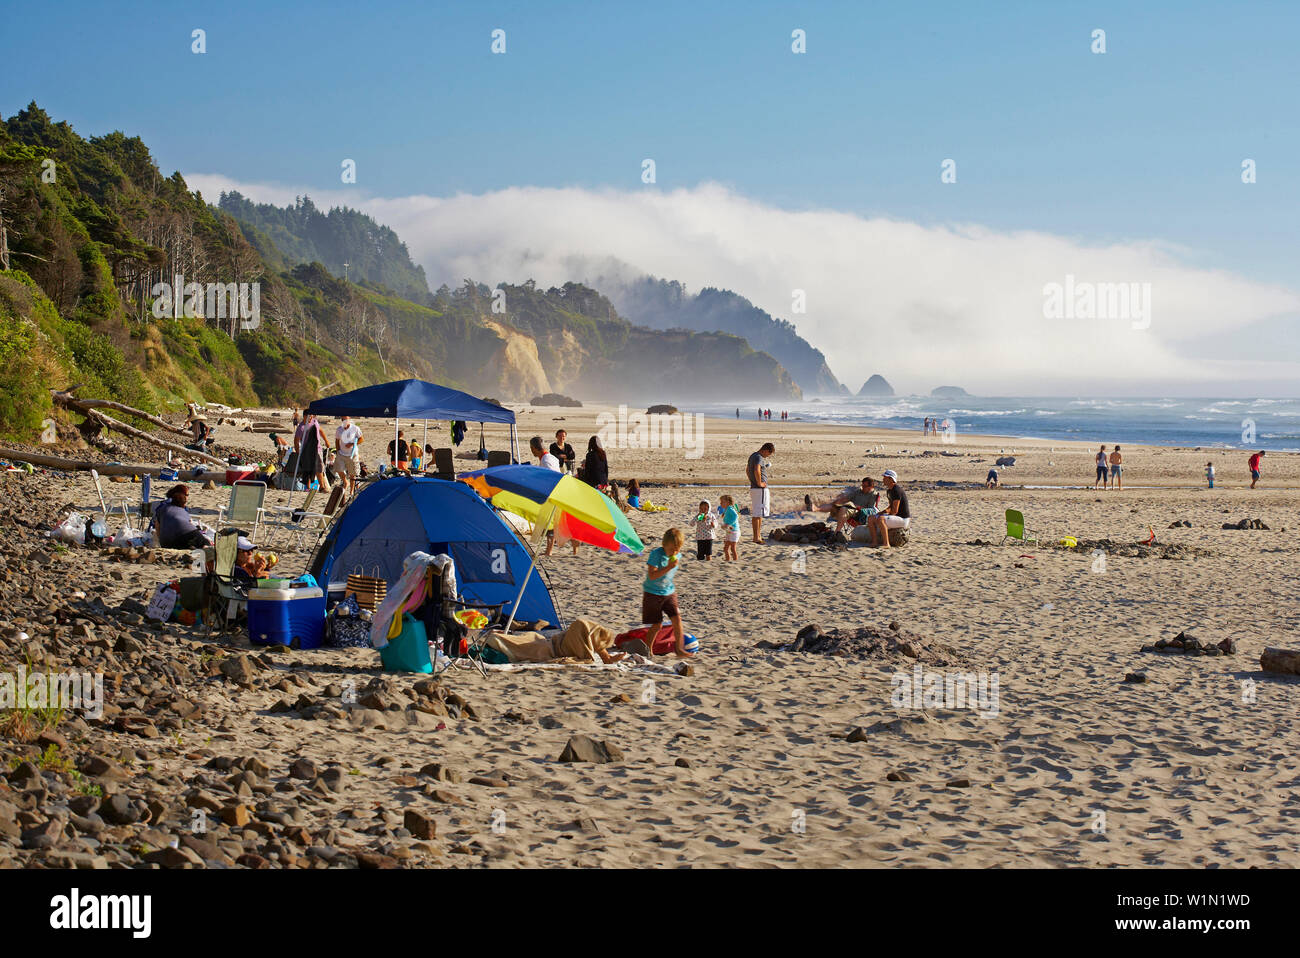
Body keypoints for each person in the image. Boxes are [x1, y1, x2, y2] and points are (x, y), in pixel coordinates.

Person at [642, 528, 693, 657]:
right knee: (657, 625)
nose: (674, 552)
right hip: (652, 593)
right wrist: (668, 567)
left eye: (677, 549)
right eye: (671, 549)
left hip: (669, 592)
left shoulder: (677, 555)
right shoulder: (656, 554)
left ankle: (679, 649)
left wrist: (672, 562)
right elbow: (652, 575)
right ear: (663, 545)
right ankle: (648, 650)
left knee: (677, 620)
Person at [815, 477, 879, 536]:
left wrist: (857, 506)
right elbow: (847, 498)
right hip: (849, 507)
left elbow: (870, 510)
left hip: (859, 512)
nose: (862, 487)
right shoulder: (858, 491)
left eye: (865, 486)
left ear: (871, 487)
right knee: (835, 506)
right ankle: (816, 508)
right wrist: (838, 500)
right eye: (862, 485)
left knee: (843, 509)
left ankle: (837, 532)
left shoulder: (873, 495)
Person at [154, 485, 210, 550]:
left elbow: (157, 526)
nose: (187, 497)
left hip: (166, 543)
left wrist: (162, 541)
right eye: (187, 495)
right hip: (186, 534)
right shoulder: (183, 511)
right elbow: (189, 524)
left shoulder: (162, 508)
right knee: (205, 543)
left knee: (188, 544)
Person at [867, 470, 910, 549]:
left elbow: (895, 511)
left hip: (903, 519)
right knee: (870, 518)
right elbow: (891, 507)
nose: (883, 479)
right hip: (896, 517)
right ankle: (874, 542)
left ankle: (886, 544)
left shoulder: (896, 490)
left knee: (881, 519)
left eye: (885, 477)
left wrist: (884, 517)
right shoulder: (889, 490)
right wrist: (882, 512)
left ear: (891, 479)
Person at [747, 442, 775, 543]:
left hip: (755, 488)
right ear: (766, 450)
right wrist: (759, 483)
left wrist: (752, 481)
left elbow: (747, 470)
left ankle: (757, 536)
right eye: (769, 454)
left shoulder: (752, 456)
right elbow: (757, 469)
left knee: (757, 513)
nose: (768, 456)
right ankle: (756, 537)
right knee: (758, 514)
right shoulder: (759, 457)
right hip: (759, 489)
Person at [295, 414, 330, 492]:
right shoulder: (301, 427)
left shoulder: (315, 422)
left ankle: (322, 487)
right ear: (304, 416)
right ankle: (308, 487)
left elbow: (320, 430)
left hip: (317, 449)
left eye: (311, 416)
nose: (310, 418)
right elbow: (296, 440)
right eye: (308, 416)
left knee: (319, 467)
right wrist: (298, 452)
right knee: (308, 468)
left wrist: (326, 440)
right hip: (307, 451)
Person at [333, 415, 363, 496]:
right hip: (341, 453)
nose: (345, 421)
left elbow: (361, 439)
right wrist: (338, 450)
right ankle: (345, 482)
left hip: (352, 453)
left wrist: (352, 444)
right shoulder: (339, 429)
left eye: (346, 419)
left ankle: (351, 491)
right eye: (343, 419)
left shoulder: (355, 428)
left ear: (349, 419)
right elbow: (337, 440)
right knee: (338, 468)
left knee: (352, 473)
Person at [718, 494, 740, 561]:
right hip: (729, 531)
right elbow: (727, 519)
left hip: (734, 531)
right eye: (720, 502)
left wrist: (729, 524)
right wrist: (724, 525)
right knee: (725, 548)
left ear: (727, 502)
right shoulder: (726, 509)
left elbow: (736, 516)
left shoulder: (730, 508)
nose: (720, 503)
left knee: (732, 548)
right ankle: (727, 560)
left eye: (722, 502)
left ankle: (735, 561)